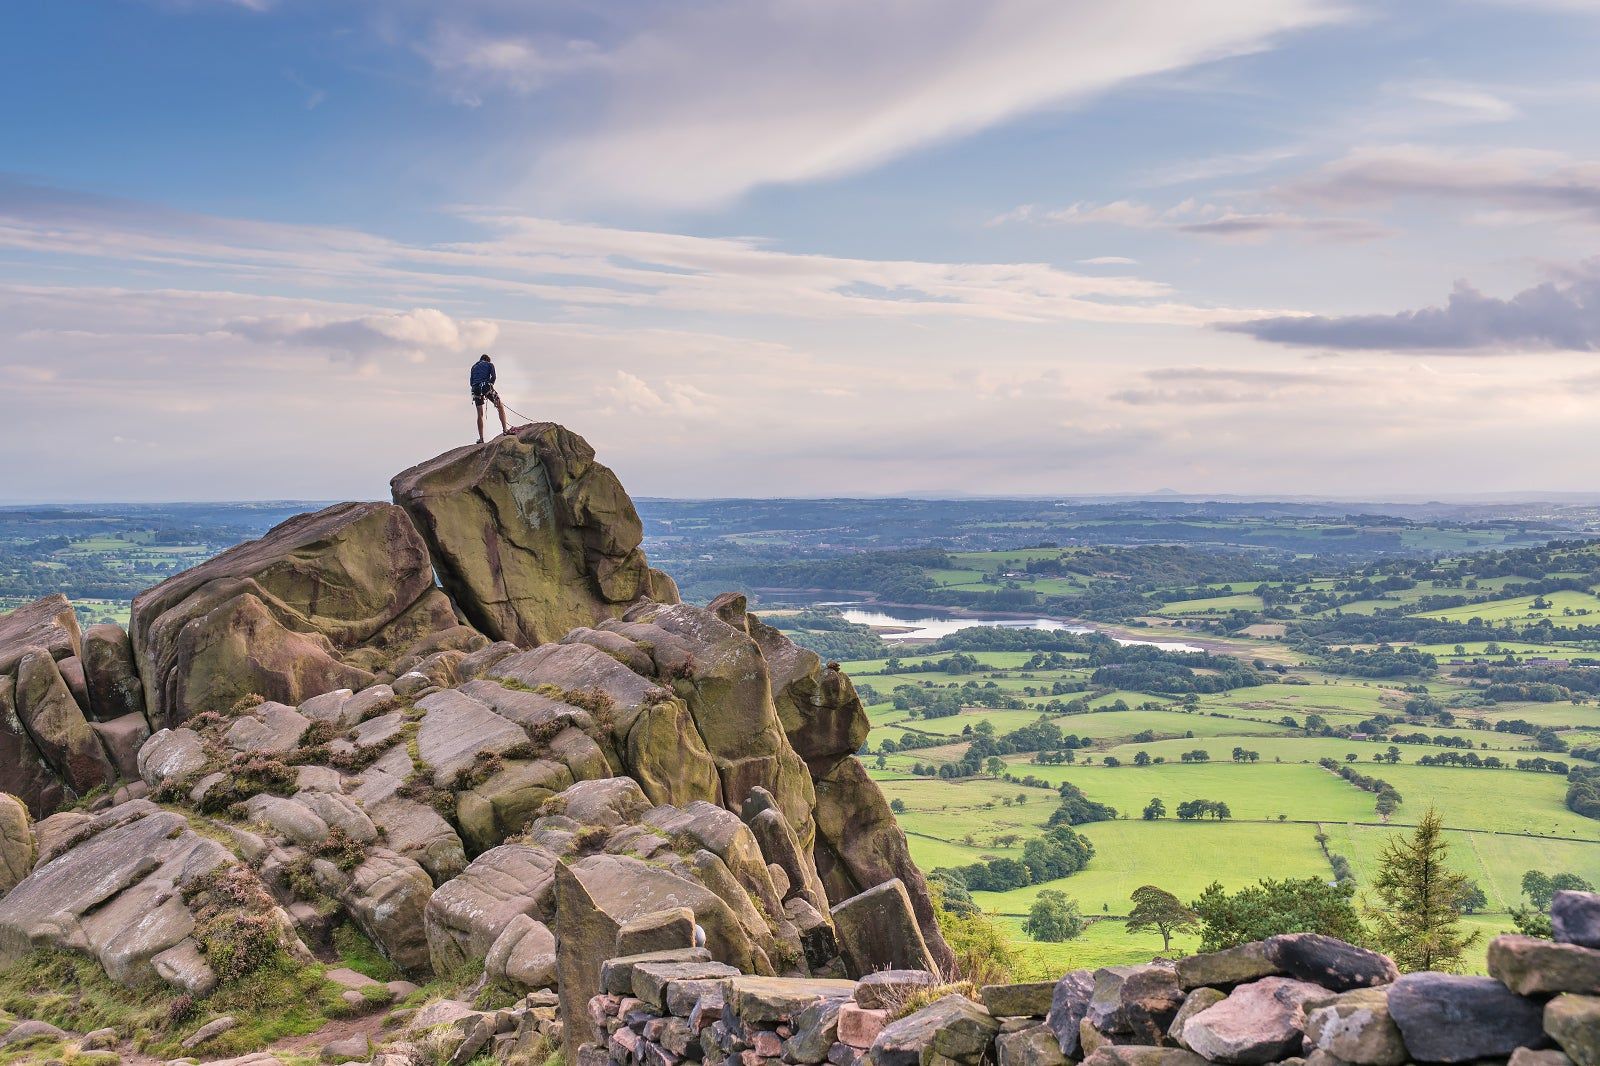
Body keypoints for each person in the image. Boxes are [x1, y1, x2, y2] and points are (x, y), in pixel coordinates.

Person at [470, 353, 511, 444]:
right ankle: (505, 430)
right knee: (500, 406)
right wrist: (489, 386)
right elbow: (494, 377)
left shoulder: (473, 367)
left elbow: (471, 382)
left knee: (480, 414)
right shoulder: (489, 365)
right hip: (485, 386)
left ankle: (481, 438)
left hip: (475, 389)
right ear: (487, 360)